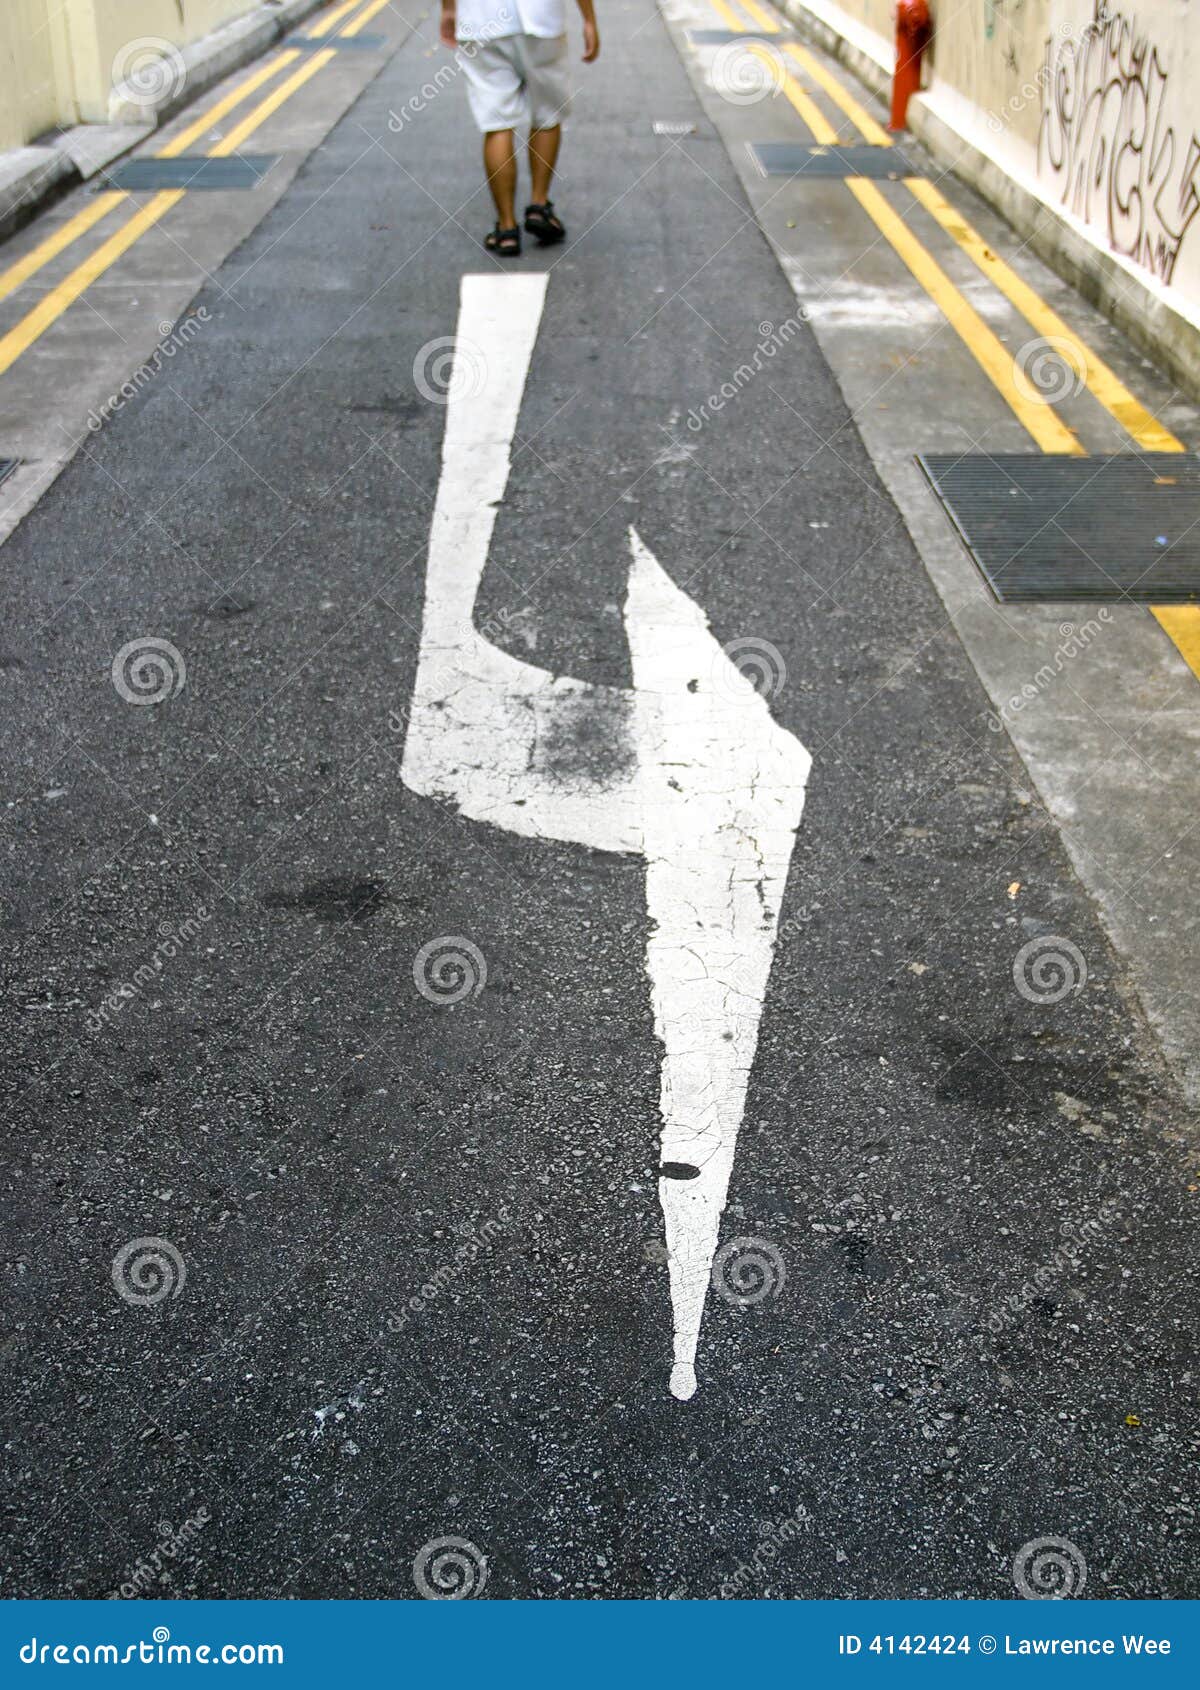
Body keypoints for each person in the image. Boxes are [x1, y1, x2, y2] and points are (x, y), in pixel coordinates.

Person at [440, 0, 600, 256]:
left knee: (497, 125)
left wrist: (449, 10)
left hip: (481, 21)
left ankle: (506, 228)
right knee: (548, 114)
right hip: (542, 18)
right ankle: (539, 204)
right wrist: (589, 19)